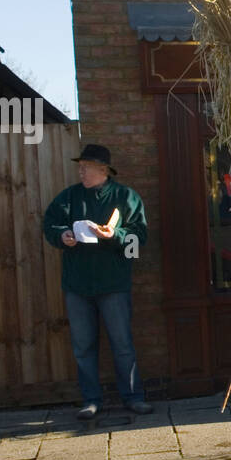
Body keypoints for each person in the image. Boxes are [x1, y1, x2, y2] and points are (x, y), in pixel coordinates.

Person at [42, 144, 151, 419]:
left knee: (123, 344)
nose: (80, 171)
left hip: (113, 283)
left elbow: (138, 240)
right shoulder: (69, 197)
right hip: (77, 285)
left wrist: (113, 235)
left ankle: (133, 396)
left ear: (103, 170)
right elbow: (50, 224)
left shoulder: (126, 197)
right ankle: (91, 400)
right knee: (83, 346)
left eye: (86, 166)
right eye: (80, 166)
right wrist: (63, 235)